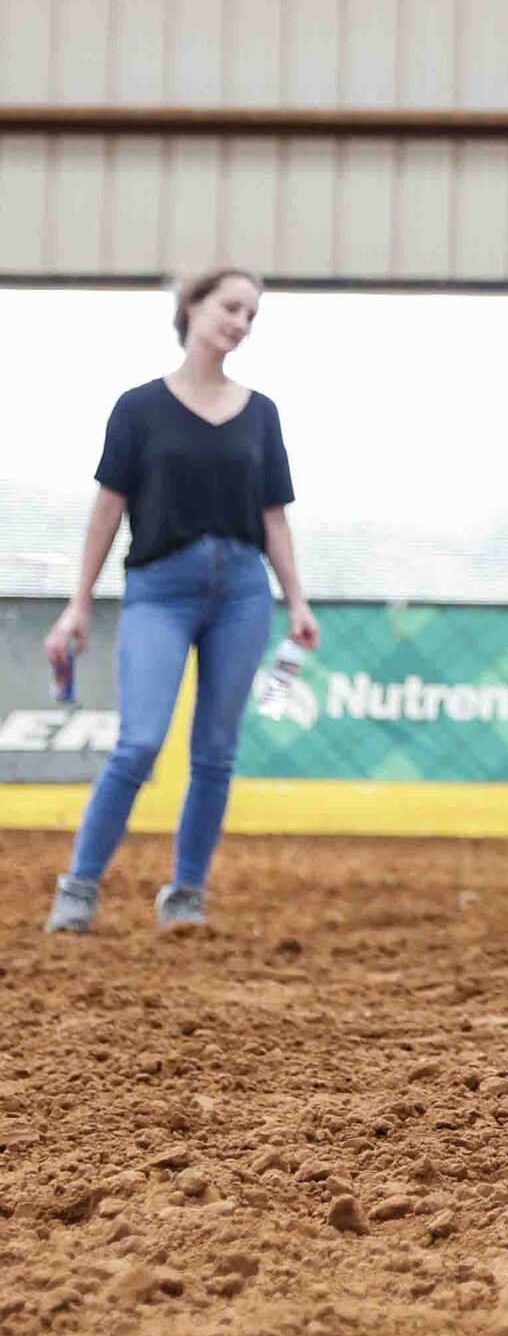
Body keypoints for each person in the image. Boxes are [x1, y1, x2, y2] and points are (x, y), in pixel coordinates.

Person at [43, 266, 320, 935]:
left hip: (243, 596)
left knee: (215, 754)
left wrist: (298, 600)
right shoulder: (138, 408)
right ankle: (79, 886)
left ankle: (186, 895)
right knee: (138, 743)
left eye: (251, 316)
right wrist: (78, 603)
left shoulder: (261, 413)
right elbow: (108, 509)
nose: (240, 323)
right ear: (192, 306)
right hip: (159, 591)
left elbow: (273, 516)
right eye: (230, 307)